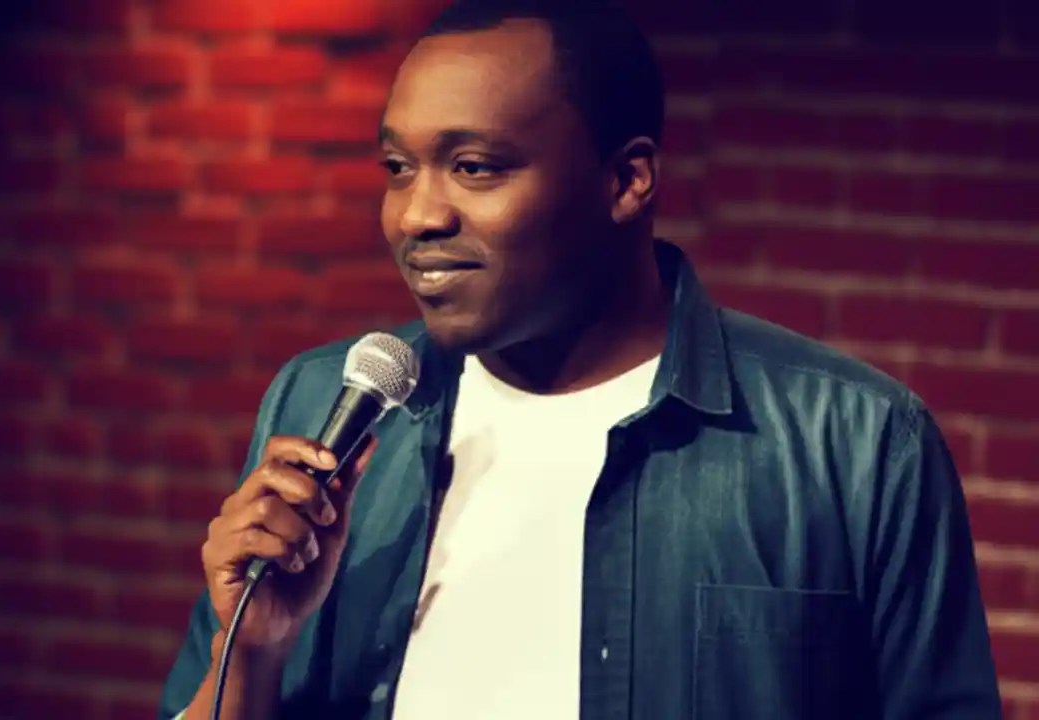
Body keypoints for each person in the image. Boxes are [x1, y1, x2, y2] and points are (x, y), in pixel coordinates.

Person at [159, 1, 1003, 718]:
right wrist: (256, 655)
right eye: (397, 167)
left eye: (473, 167)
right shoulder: (323, 404)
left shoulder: (853, 444)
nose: (417, 213)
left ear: (627, 181)